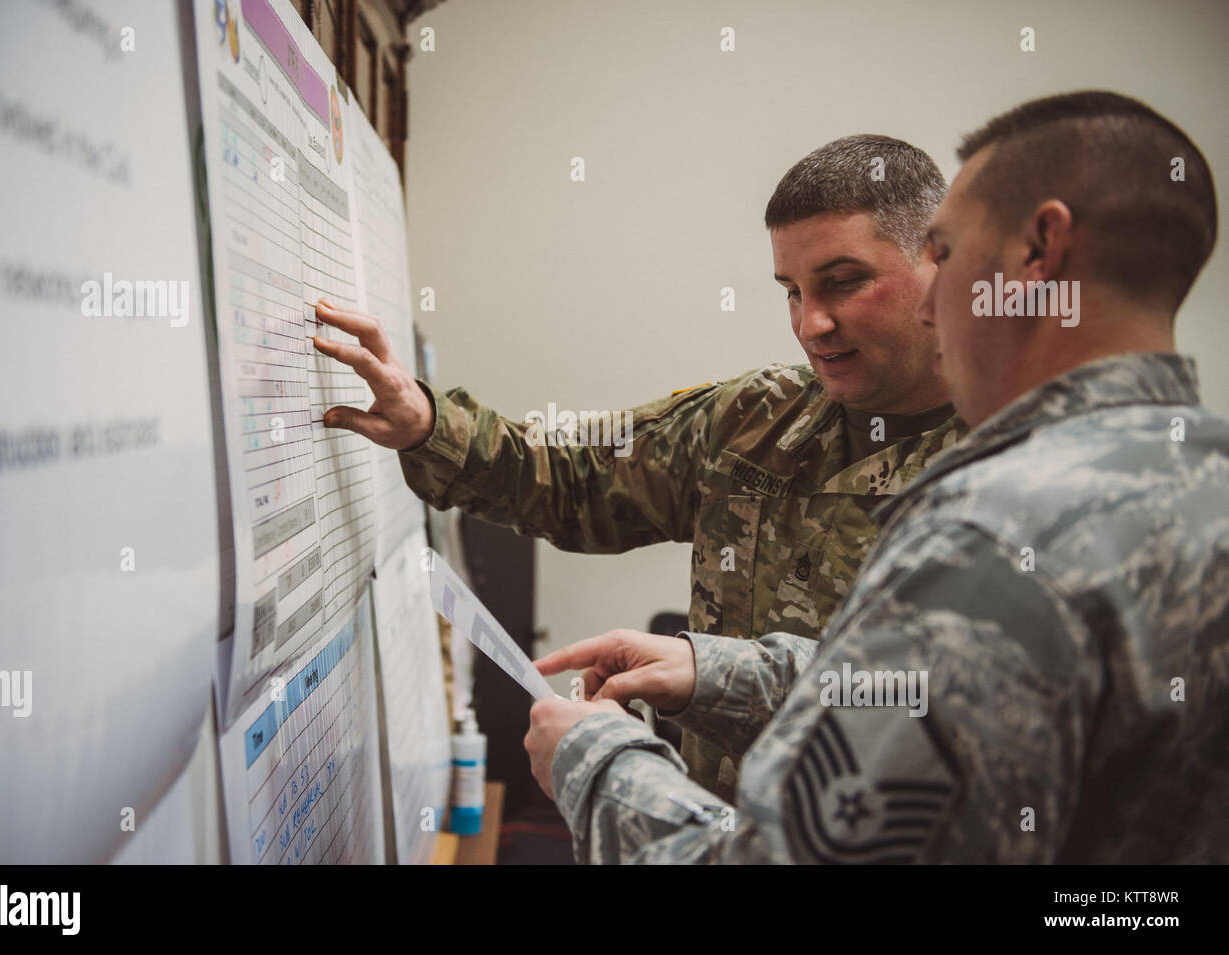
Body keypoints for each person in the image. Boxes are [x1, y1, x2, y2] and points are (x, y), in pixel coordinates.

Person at [525, 89, 1226, 863]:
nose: (932, 307)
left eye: (947, 254)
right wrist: (716, 669)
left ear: (1039, 252)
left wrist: (595, 761)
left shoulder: (993, 532)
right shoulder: (1202, 478)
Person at [312, 135, 966, 799]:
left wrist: (697, 676)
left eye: (844, 282)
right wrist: (425, 425)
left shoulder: (1013, 469)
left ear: (938, 263)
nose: (811, 323)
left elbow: (935, 701)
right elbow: (574, 479)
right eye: (791, 291)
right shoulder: (758, 419)